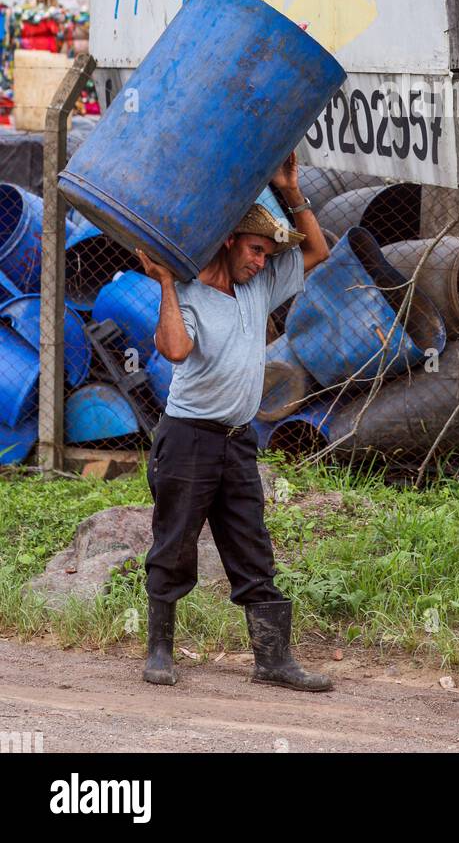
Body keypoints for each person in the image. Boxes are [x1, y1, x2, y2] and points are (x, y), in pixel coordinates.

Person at [137, 150, 332, 693]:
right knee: (174, 542)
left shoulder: (259, 287)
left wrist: (291, 189)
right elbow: (174, 349)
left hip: (237, 440)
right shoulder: (193, 293)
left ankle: (273, 660)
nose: (261, 262)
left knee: (251, 545)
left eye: (268, 254)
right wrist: (168, 286)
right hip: (188, 439)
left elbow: (318, 249)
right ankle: (159, 651)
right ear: (229, 241)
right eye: (254, 250)